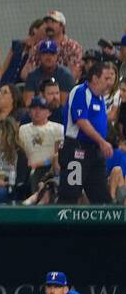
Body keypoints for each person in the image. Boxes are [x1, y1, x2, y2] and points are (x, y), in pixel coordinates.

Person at [58, 60, 116, 204]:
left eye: (111, 79)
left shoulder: (100, 98)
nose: (109, 83)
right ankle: (62, 226)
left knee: (102, 196)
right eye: (106, 78)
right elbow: (81, 121)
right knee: (70, 194)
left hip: (95, 152)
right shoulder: (81, 92)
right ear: (95, 78)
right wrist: (102, 141)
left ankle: (104, 226)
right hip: (77, 150)